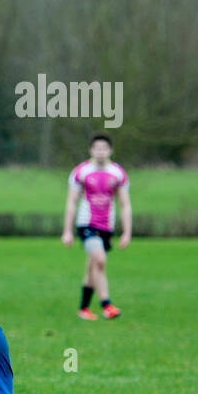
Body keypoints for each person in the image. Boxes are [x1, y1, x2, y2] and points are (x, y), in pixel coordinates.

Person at [62, 134, 131, 320]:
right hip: (86, 224)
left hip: (107, 226)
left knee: (93, 267)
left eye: (104, 148)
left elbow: (125, 204)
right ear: (91, 150)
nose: (100, 151)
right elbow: (71, 202)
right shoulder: (81, 171)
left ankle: (83, 309)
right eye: (97, 148)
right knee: (99, 260)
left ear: (110, 150)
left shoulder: (118, 173)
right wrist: (67, 231)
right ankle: (106, 305)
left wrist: (127, 232)